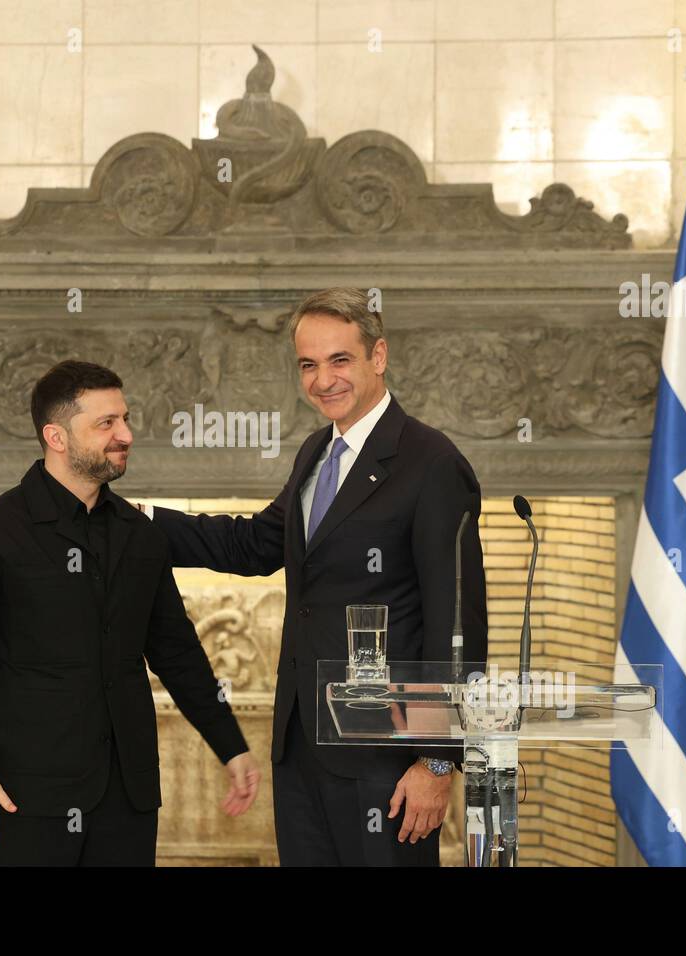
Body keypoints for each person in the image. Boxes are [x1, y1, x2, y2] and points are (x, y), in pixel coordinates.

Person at [141, 288, 487, 866]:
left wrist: (435, 760)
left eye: (339, 360)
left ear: (378, 356)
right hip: (303, 748)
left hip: (386, 755)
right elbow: (254, 544)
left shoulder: (432, 463)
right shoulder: (316, 453)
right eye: (308, 364)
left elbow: (455, 624)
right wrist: (142, 522)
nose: (323, 379)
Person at [0, 360, 260, 866]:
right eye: (106, 423)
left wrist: (231, 745)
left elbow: (177, 654)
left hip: (127, 801)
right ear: (56, 436)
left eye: (124, 419)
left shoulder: (140, 535)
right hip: (24, 801)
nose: (124, 434)